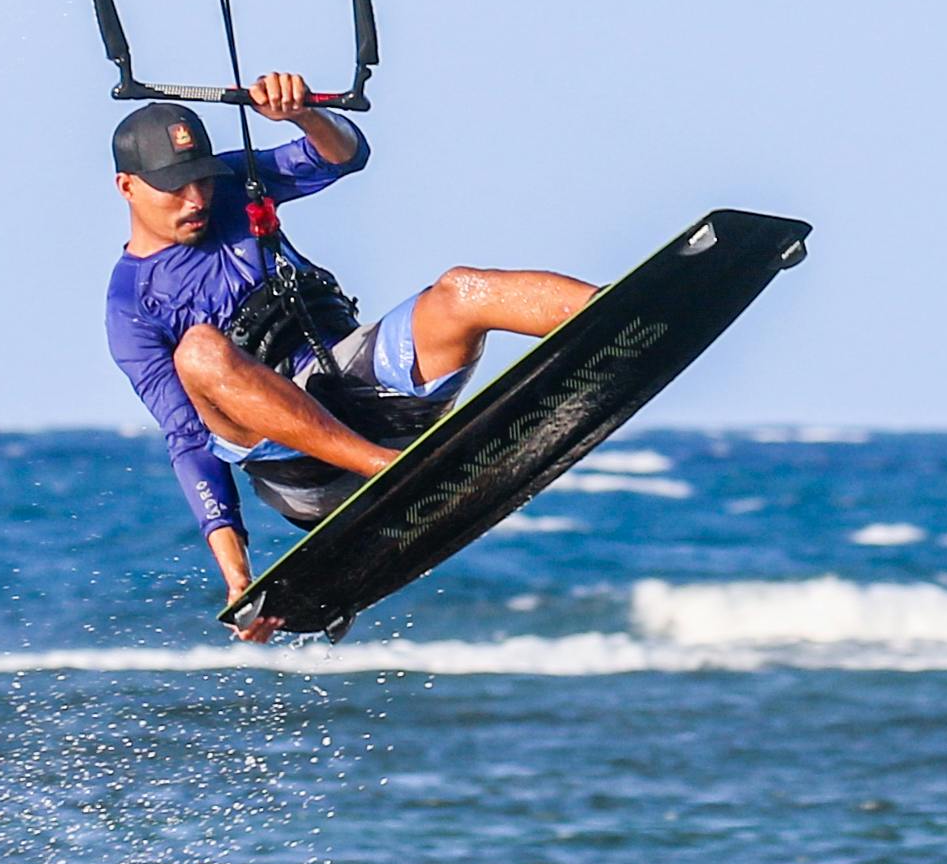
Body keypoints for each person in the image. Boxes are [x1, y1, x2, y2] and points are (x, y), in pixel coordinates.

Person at [104, 73, 592, 632]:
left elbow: (344, 155)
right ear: (127, 186)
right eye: (175, 186)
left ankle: (622, 306)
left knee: (461, 290)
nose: (196, 199)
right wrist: (238, 574)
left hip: (354, 382)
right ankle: (388, 470)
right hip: (302, 469)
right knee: (200, 352)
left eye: (203, 181)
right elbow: (191, 442)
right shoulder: (130, 308)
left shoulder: (237, 184)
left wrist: (303, 113)